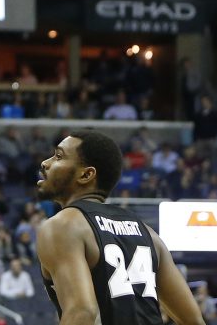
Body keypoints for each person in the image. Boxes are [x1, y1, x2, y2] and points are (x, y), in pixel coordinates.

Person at [36, 129, 204, 324]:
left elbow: (82, 312)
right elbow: (194, 321)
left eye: (58, 156)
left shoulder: (62, 226)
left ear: (86, 175)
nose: (45, 163)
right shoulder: (149, 234)